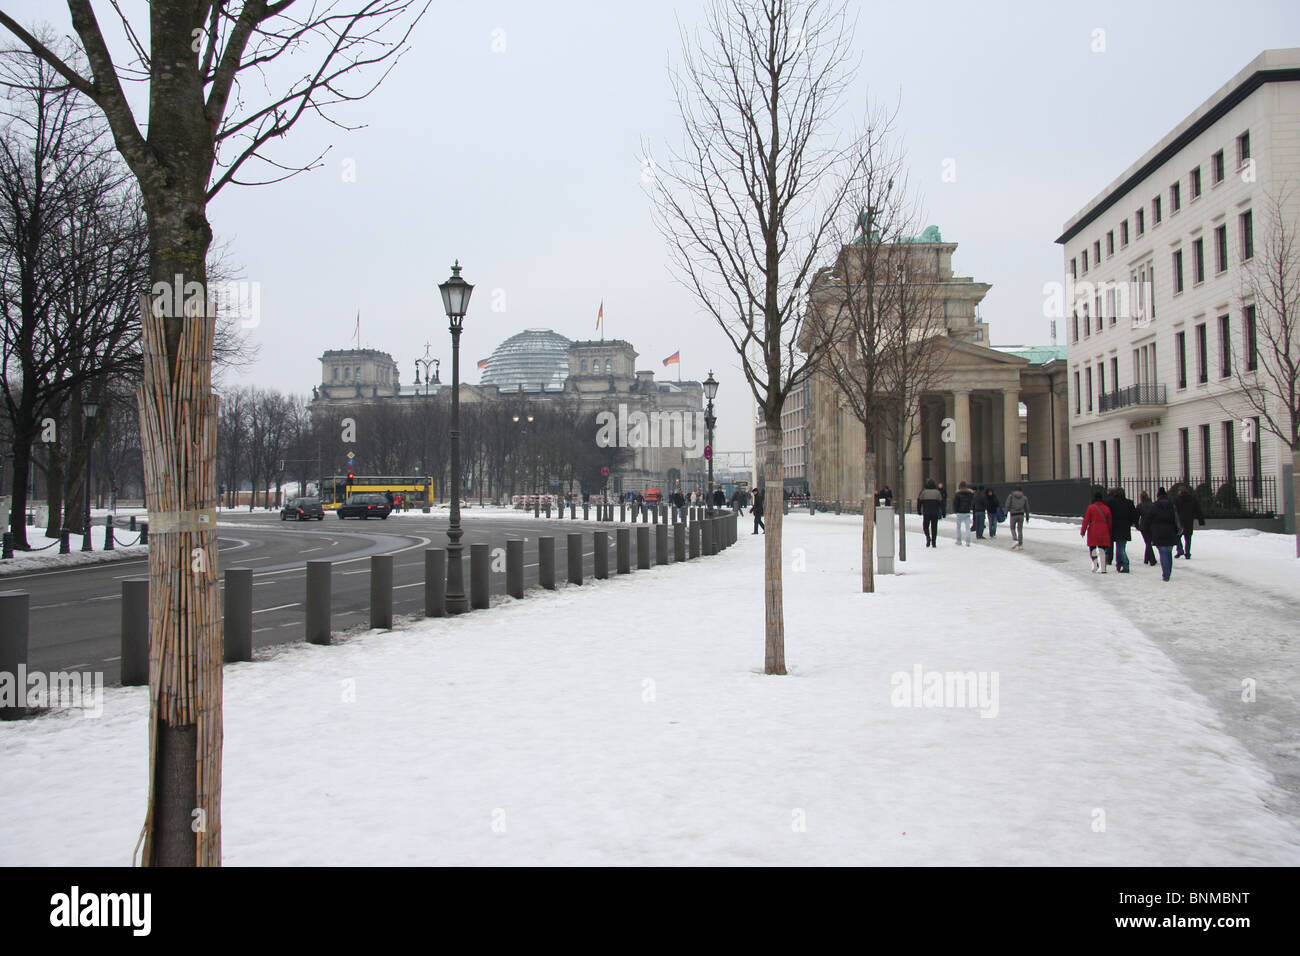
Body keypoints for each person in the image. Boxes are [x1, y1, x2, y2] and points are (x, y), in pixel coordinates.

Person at [1148, 487, 1182, 581]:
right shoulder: (1172, 506)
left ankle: (1166, 574)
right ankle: (1168, 572)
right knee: (1168, 552)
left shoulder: (1154, 506)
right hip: (1170, 532)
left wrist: (1149, 530)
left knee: (1162, 553)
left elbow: (1149, 519)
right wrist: (1177, 530)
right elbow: (1176, 519)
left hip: (1158, 532)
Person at [1105, 488, 1138, 573]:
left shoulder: (1111, 503)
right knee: (1121, 546)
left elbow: (1107, 515)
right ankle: (1119, 564)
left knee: (1120, 548)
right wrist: (1130, 523)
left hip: (1115, 527)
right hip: (1125, 527)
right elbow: (1134, 515)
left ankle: (1125, 564)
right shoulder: (1129, 503)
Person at [1080, 489, 1113, 572]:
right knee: (1102, 550)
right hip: (1104, 530)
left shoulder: (1090, 508)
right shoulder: (1106, 508)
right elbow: (1110, 521)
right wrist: (1108, 531)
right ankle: (1103, 568)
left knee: (1093, 549)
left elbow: (1086, 520)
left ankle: (1095, 565)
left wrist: (1083, 531)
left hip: (1093, 531)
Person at [1173, 486, 1206, 559]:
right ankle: (1187, 553)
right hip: (1189, 521)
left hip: (1180, 521)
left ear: (1180, 492)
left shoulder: (1177, 500)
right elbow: (1198, 510)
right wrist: (1201, 520)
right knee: (1188, 538)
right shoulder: (1192, 499)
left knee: (1177, 536)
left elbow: (1174, 511)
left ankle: (1180, 550)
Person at [917, 478, 944, 548]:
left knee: (925, 526)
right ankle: (934, 542)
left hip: (926, 512)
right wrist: (943, 512)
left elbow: (919, 501)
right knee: (934, 527)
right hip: (935, 512)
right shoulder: (937, 492)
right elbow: (941, 503)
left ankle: (928, 537)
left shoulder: (924, 492)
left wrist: (919, 510)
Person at [1004, 485, 1030, 550]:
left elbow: (1007, 505)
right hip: (1021, 514)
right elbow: (1027, 507)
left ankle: (1015, 540)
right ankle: (1020, 545)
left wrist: (1005, 513)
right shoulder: (1024, 497)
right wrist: (1027, 516)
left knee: (1012, 528)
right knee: (1020, 530)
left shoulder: (1011, 496)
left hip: (1013, 514)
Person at [1136, 490, 1156, 565]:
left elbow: (1137, 516)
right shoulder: (1153, 505)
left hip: (1143, 525)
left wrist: (1137, 525)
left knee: (1147, 542)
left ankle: (1152, 559)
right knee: (1148, 542)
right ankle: (1146, 558)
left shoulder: (1140, 505)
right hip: (1152, 525)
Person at [951, 480, 974, 546]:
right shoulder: (970, 494)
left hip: (959, 512)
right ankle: (968, 541)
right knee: (967, 528)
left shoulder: (957, 494)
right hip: (967, 512)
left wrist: (955, 510)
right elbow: (972, 501)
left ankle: (959, 540)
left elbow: (955, 503)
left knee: (958, 527)